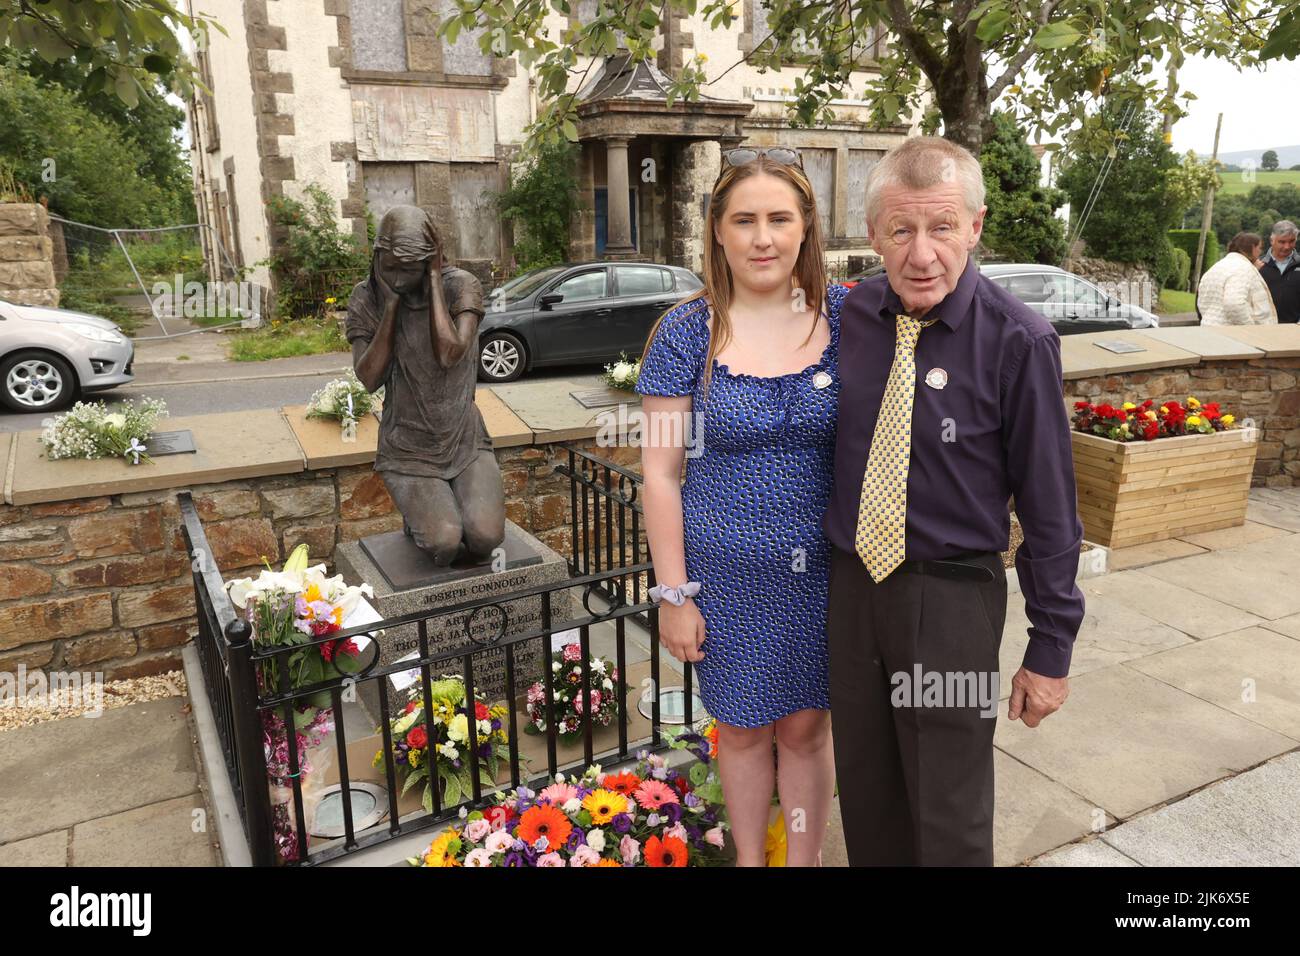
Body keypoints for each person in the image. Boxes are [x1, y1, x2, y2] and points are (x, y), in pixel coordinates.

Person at [824, 136, 1085, 866]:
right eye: (901, 230)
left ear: (974, 225)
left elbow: (1051, 508)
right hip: (852, 589)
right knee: (869, 796)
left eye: (942, 227)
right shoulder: (851, 320)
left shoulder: (1020, 341)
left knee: (949, 812)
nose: (922, 253)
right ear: (873, 233)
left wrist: (1051, 647)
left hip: (952, 600)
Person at [636, 147, 849, 867]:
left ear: (805, 227)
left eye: (780, 218)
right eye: (745, 219)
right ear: (718, 232)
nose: (764, 237)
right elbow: (660, 473)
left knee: (807, 734)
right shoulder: (685, 334)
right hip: (726, 582)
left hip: (823, 578)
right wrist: (672, 595)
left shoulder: (849, 320)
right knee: (745, 731)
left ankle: (805, 860)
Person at [346, 205, 505, 566]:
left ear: (432, 260)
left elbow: (450, 353)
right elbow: (369, 378)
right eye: (389, 268)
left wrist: (433, 283)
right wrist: (390, 308)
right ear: (376, 258)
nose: (398, 279)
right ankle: (427, 515)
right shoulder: (366, 297)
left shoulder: (460, 287)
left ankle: (439, 509)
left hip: (463, 441)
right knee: (445, 542)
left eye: (409, 269)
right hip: (407, 449)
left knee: (484, 538)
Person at [1197, 232, 1277, 325]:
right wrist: (1251, 328)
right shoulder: (1242, 268)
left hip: (1209, 329)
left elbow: (1202, 303)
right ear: (1253, 248)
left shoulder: (1216, 267)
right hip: (1232, 335)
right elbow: (1234, 305)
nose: (1260, 252)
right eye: (1259, 248)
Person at [1259, 220, 1300, 324]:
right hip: (1263, 328)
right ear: (1272, 240)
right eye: (1282, 242)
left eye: (1291, 241)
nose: (1287, 246)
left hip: (1294, 329)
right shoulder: (1258, 266)